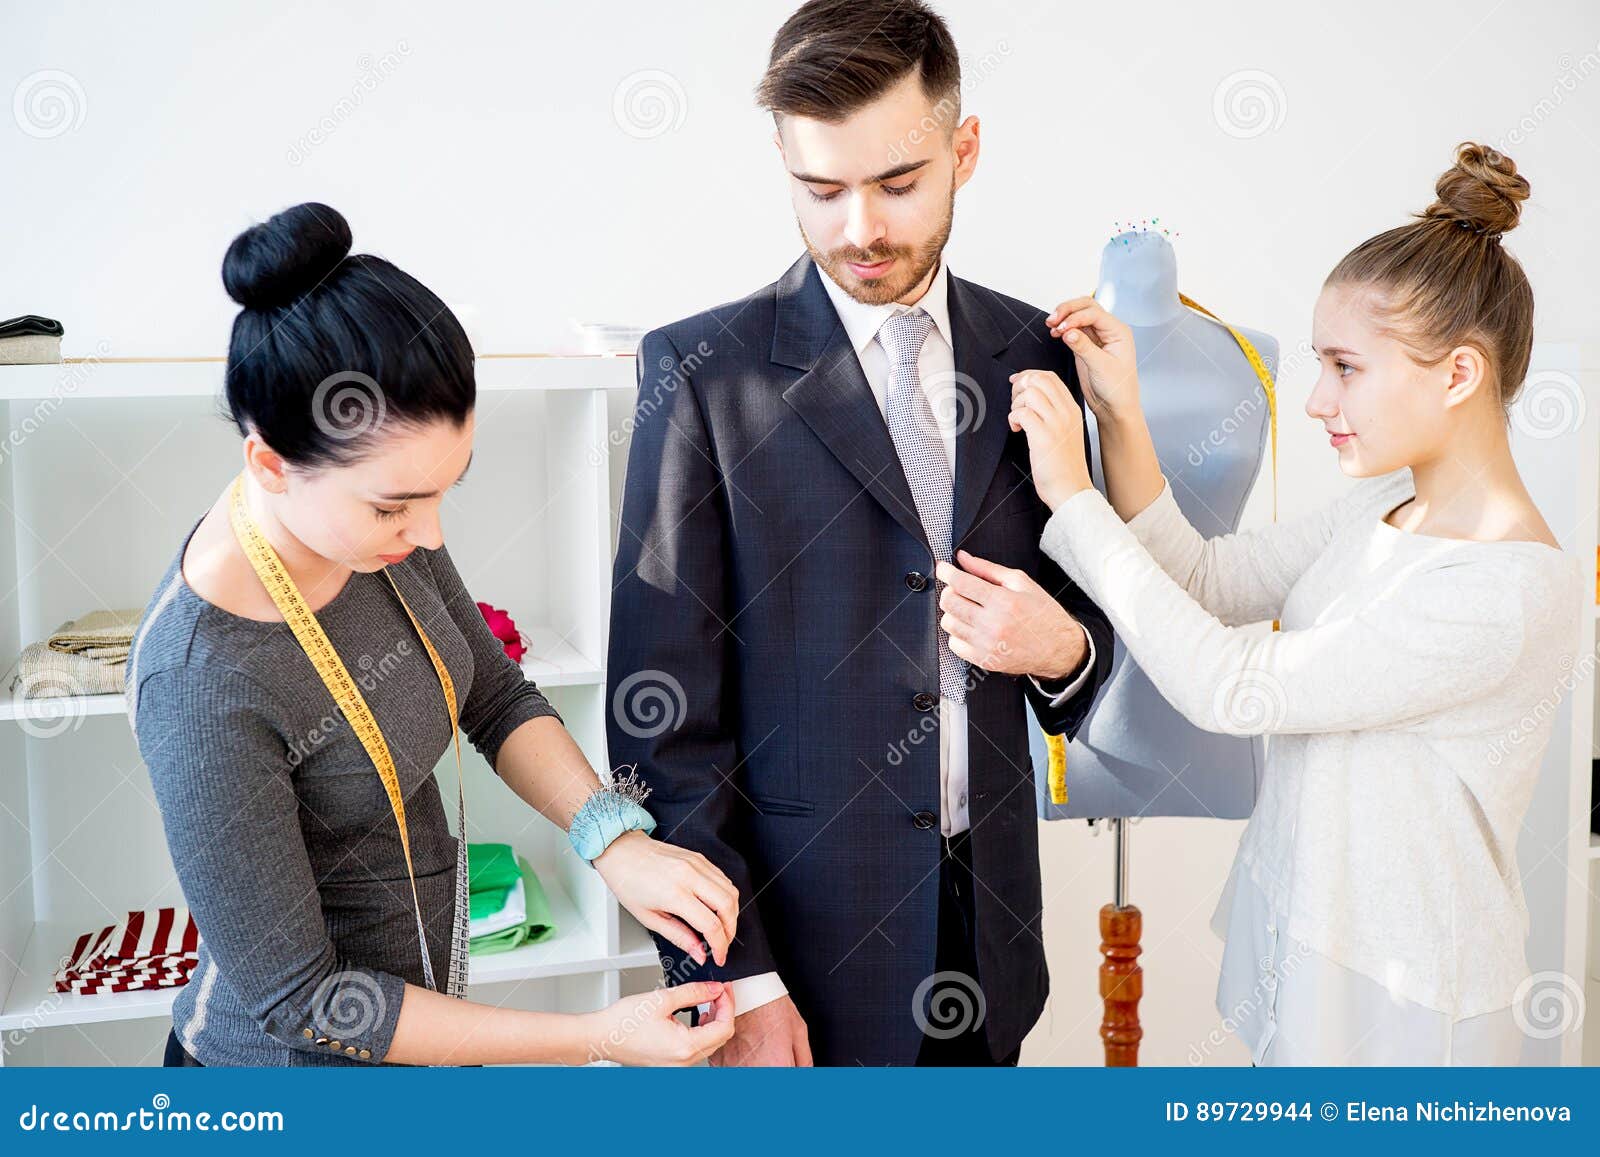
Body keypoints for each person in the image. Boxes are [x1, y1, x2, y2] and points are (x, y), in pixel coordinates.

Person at [606, 0, 1114, 1067]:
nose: (859, 229)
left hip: (991, 937)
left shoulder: (1039, 353)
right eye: (820, 189)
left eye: (897, 185)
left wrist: (1061, 651)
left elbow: (1101, 631)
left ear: (963, 150)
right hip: (793, 956)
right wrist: (734, 972)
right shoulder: (700, 375)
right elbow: (659, 725)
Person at [1004, 143, 1584, 1064]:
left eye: (1345, 368)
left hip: (1404, 1005)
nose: (1315, 401)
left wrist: (1074, 500)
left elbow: (1232, 685)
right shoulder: (1385, 505)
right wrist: (1119, 415)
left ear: (1460, 374)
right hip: (1311, 946)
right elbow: (1206, 581)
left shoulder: (1503, 590)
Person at [129, 202, 738, 1067]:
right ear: (269, 463)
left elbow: (492, 695)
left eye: (446, 488)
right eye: (395, 503)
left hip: (418, 1039)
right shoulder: (201, 678)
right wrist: (597, 1036)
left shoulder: (374, 534)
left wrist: (614, 838)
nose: (431, 534)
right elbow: (306, 1000)